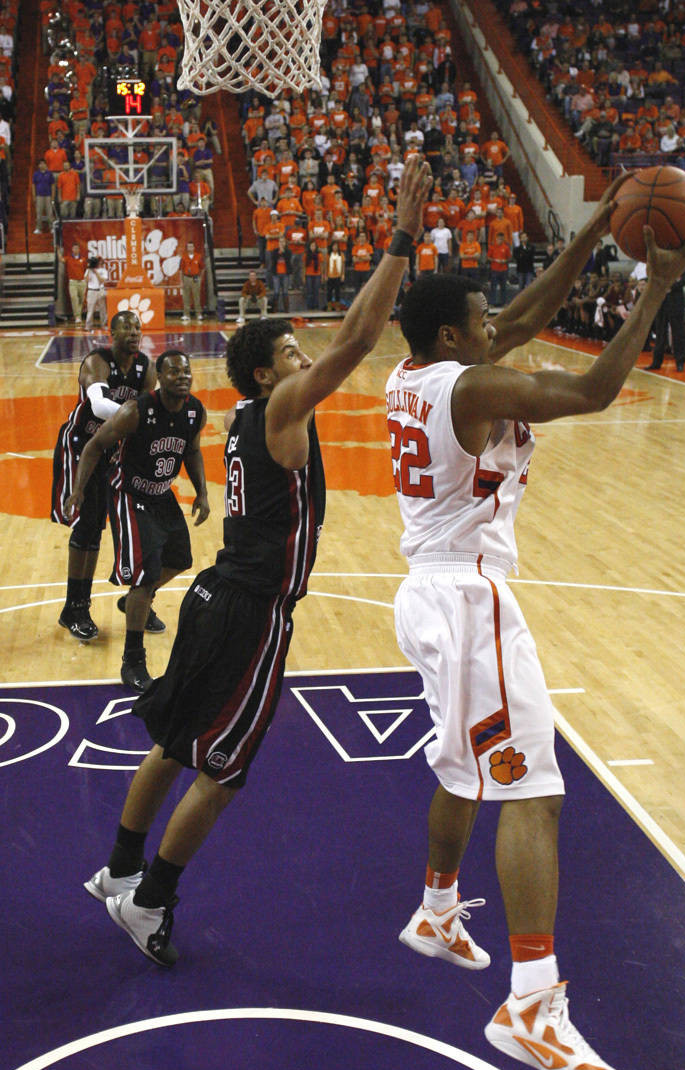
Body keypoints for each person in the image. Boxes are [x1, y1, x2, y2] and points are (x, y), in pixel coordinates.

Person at [386, 190, 685, 1070]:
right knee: (536, 791)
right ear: (454, 337)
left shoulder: (416, 370)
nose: (500, 325)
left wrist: (593, 231)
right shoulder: (472, 386)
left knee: (464, 768)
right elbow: (594, 392)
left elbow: (523, 315)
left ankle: (436, 909)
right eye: (482, 320)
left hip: (428, 592)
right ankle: (530, 1003)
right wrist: (655, 284)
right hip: (469, 600)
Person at [79, 155, 431, 967]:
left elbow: (339, 341)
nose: (309, 359)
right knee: (224, 771)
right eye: (295, 352)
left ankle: (119, 868)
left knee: (173, 741)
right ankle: (149, 901)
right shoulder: (280, 407)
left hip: (216, 593)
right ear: (269, 372)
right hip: (253, 609)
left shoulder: (244, 412)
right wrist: (401, 236)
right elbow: (359, 338)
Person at [65, 351, 210, 690]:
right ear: (159, 377)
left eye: (186, 370)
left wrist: (202, 492)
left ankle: (134, 602)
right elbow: (94, 446)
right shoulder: (136, 411)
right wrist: (79, 490)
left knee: (180, 559)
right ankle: (132, 661)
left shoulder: (195, 411)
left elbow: (192, 451)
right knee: (144, 577)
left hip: (162, 494)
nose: (182, 376)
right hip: (129, 495)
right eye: (173, 371)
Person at [51, 312, 157, 641]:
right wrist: (143, 419)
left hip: (113, 449)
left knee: (120, 526)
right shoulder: (97, 362)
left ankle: (134, 599)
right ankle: (74, 607)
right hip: (82, 446)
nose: (134, 333)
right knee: (86, 525)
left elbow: (147, 407)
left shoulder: (145, 367)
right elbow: (99, 407)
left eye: (137, 327)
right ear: (112, 333)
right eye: (126, 328)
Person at [645, 277, 685, 371]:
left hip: (676, 303)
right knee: (660, 333)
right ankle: (656, 362)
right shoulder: (661, 269)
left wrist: (665, 285)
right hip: (662, 303)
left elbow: (681, 282)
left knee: (678, 334)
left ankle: (680, 362)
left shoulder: (679, 269)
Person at [62, 241, 87, 323]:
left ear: (79, 249)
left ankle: (78, 315)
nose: (75, 250)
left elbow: (86, 269)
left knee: (81, 300)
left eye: (77, 248)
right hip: (73, 282)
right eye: (74, 248)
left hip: (82, 282)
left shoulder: (83, 259)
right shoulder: (68, 258)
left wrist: (85, 279)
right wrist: (58, 251)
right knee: (74, 298)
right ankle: (77, 316)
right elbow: (61, 260)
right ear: (72, 249)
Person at [180, 240, 204, 324]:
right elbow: (181, 270)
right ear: (187, 248)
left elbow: (202, 268)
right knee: (186, 297)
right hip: (186, 278)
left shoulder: (198, 256)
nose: (190, 248)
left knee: (196, 296)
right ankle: (186, 314)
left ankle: (198, 314)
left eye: (191, 246)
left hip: (195, 278)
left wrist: (200, 277)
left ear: (194, 248)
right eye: (188, 247)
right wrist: (181, 281)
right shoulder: (184, 257)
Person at [84, 256, 109, 331]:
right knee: (90, 309)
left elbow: (102, 281)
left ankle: (104, 324)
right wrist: (89, 270)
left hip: (100, 290)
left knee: (103, 309)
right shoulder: (88, 270)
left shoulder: (103, 271)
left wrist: (96, 272)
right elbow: (86, 280)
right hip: (91, 291)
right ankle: (88, 325)